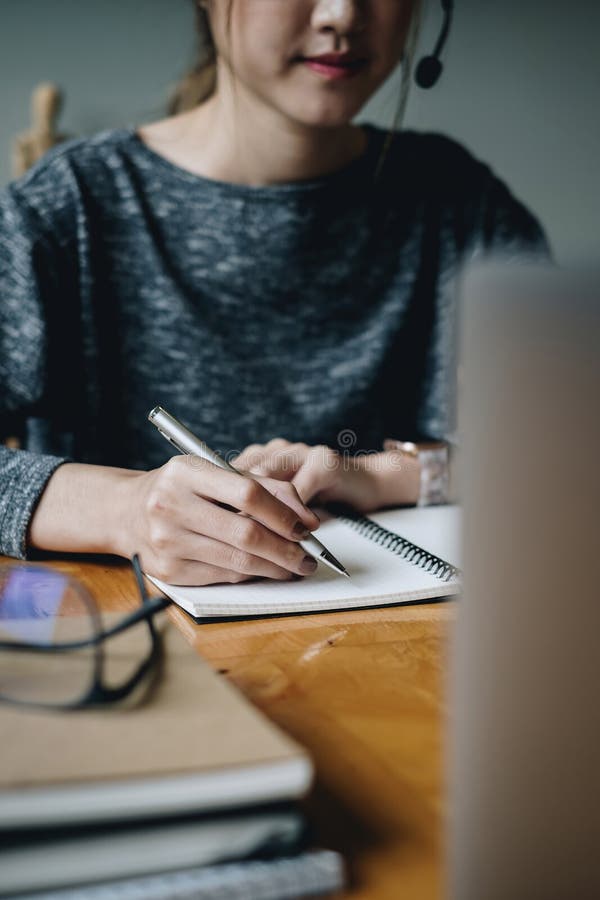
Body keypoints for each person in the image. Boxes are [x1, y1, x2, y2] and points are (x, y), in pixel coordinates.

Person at [0, 0, 548, 585]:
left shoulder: (462, 204)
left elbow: (561, 451)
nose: (342, 15)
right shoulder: (65, 211)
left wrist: (380, 475)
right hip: (147, 656)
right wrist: (126, 510)